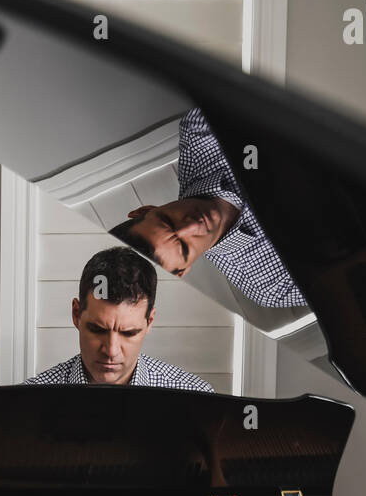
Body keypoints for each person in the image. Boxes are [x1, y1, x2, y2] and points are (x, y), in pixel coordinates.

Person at [110, 107, 305, 309]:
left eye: (169, 222)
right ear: (182, 271)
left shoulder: (200, 133)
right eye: (184, 248)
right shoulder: (272, 287)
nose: (193, 225)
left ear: (145, 210)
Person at [26, 246, 213, 390]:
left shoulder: (196, 397)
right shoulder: (29, 403)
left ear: (149, 322)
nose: (111, 351)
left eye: (129, 333)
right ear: (76, 314)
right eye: (98, 330)